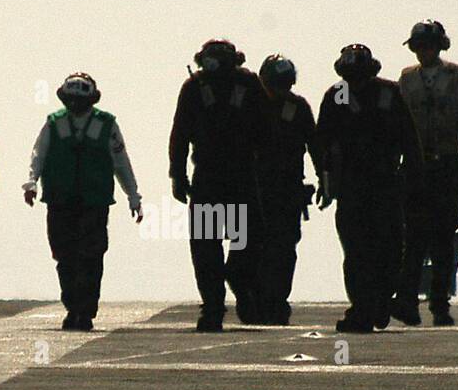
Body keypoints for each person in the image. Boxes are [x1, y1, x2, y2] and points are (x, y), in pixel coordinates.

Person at [314, 44, 424, 333]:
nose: (355, 80)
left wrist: (413, 175)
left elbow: (409, 138)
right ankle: (362, 308)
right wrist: (324, 182)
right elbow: (323, 144)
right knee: (356, 251)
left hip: (386, 183)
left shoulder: (389, 92)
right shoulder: (336, 96)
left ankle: (380, 301)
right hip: (351, 186)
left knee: (389, 249)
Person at [23, 73, 142, 331]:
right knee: (64, 256)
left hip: (94, 201)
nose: (75, 103)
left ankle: (85, 310)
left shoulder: (106, 124)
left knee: (91, 255)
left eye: (80, 98)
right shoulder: (54, 123)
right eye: (71, 98)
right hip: (59, 200)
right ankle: (72, 307)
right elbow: (38, 154)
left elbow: (121, 163)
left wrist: (133, 195)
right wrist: (31, 182)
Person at [168, 39, 268, 331]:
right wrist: (177, 173)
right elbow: (181, 133)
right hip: (210, 176)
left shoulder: (249, 84)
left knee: (247, 239)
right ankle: (212, 306)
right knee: (205, 245)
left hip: (240, 175)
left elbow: (264, 129)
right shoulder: (194, 88)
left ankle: (238, 281)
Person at [394, 20, 458, 326]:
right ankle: (407, 301)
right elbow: (397, 122)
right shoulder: (407, 79)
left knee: (444, 237)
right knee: (413, 236)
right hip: (416, 165)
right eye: (419, 47)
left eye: (428, 46)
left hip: (448, 163)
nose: (423, 52)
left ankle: (439, 303)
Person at [254, 54, 319, 325]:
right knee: (252, 248)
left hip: (287, 190)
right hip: (254, 190)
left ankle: (277, 301)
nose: (280, 91)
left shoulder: (299, 107)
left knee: (284, 249)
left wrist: (326, 179)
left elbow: (315, 145)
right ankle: (257, 300)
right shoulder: (252, 106)